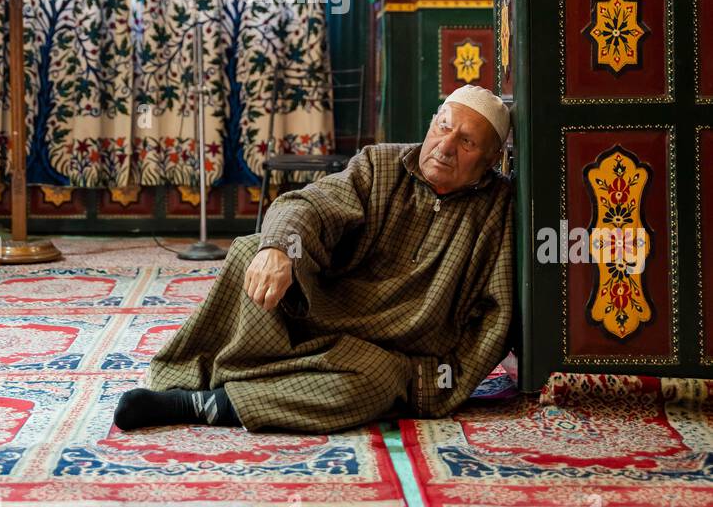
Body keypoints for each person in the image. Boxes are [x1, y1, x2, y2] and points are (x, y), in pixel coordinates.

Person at [113, 85, 514, 435]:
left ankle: (202, 404)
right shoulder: (380, 165)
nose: (445, 147)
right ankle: (213, 378)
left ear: (492, 158)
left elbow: (496, 316)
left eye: (467, 142)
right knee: (252, 251)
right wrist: (277, 249)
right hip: (320, 308)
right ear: (431, 124)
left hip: (386, 353)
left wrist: (438, 383)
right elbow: (310, 205)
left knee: (371, 386)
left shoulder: (498, 211)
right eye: (443, 126)